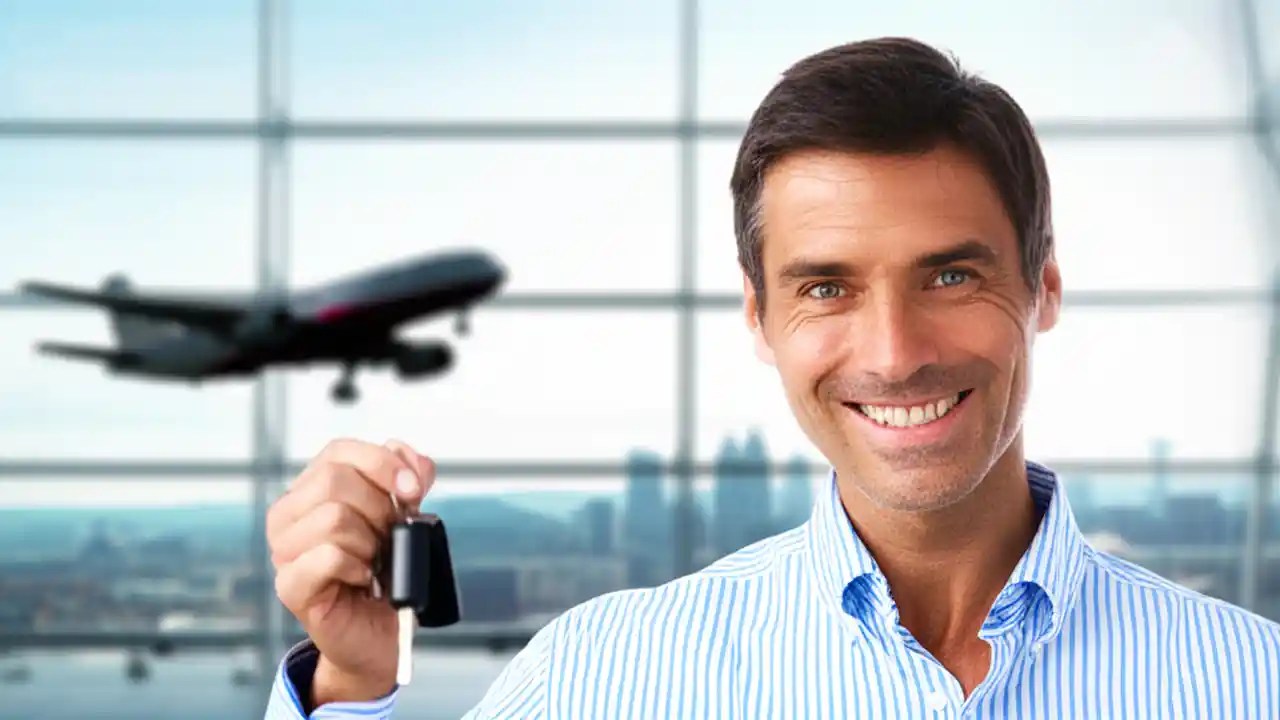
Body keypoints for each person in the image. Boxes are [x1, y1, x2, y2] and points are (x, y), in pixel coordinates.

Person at [263, 37, 1280, 719]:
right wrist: (355, 684)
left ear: (1042, 288)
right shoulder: (599, 681)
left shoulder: (1249, 684)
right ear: (759, 318)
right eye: (826, 289)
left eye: (950, 273)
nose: (892, 352)